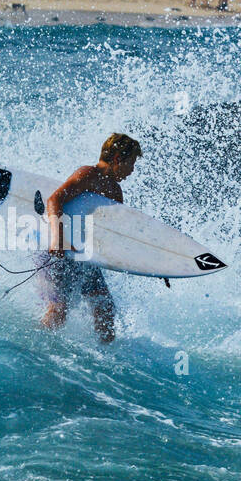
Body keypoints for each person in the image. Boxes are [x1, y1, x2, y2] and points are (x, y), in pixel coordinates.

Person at [37, 133, 142, 344]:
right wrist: (58, 239)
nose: (132, 170)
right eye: (130, 163)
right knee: (59, 310)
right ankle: (34, 346)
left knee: (105, 310)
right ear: (116, 159)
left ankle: (103, 361)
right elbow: (54, 200)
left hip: (84, 256)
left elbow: (114, 235)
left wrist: (158, 266)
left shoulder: (115, 190)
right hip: (60, 250)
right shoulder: (88, 175)